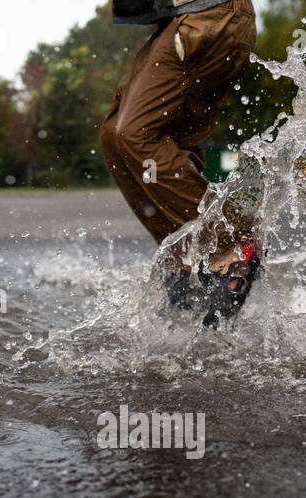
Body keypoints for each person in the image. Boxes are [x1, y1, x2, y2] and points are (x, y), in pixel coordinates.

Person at [101, 0, 260, 326]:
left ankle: (231, 243)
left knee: (134, 134)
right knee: (115, 137)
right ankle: (185, 252)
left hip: (208, 17)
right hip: (190, 21)